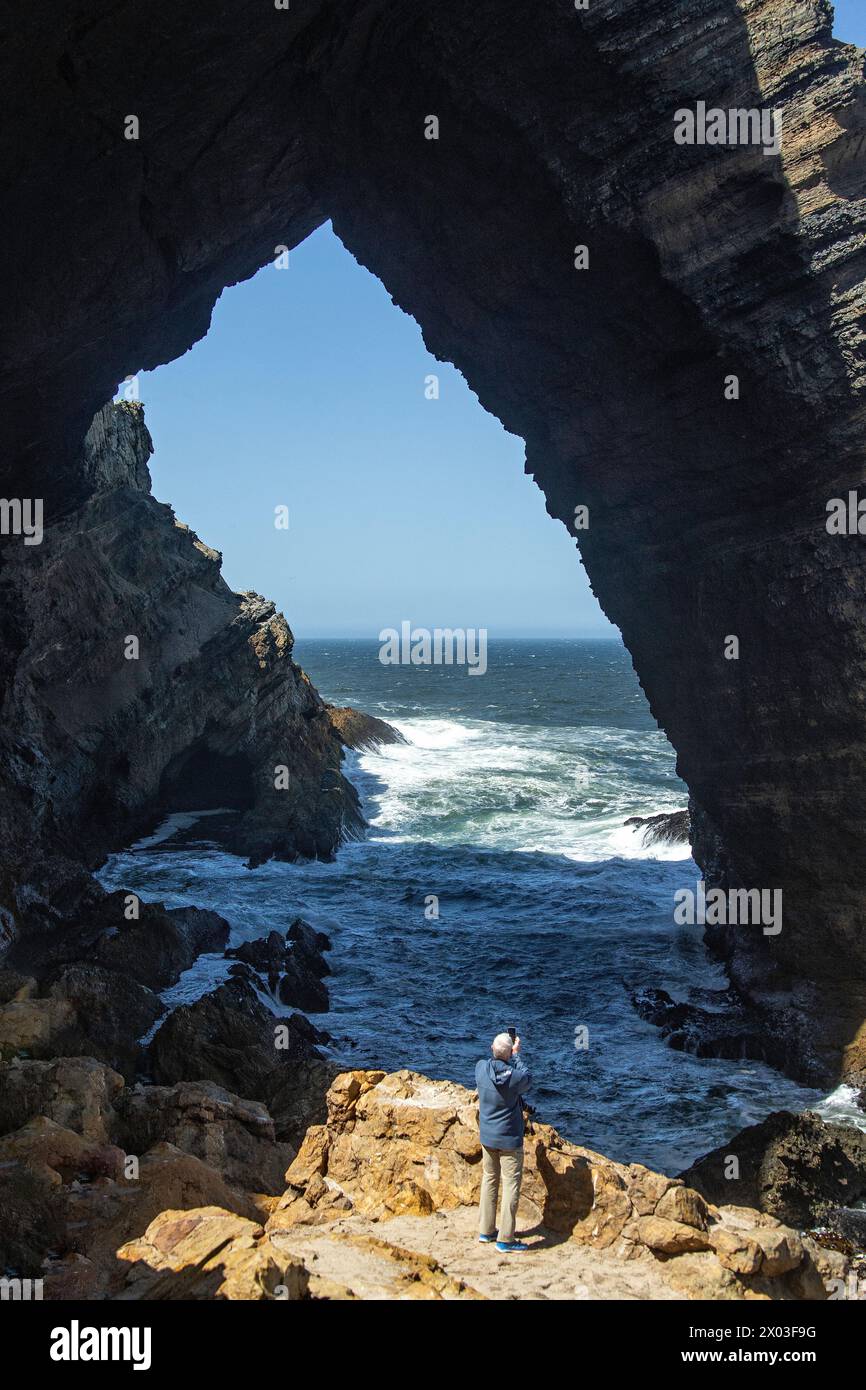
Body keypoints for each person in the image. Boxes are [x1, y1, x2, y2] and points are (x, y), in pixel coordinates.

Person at [475, 1031, 531, 1253]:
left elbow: (492, 1066)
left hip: (487, 1136)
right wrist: (516, 1056)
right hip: (509, 1139)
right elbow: (528, 1078)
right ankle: (505, 1239)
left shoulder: (480, 1068)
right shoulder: (515, 1078)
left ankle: (485, 1230)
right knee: (510, 1185)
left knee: (489, 1180)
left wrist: (506, 1052)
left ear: (491, 1049)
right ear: (509, 1053)